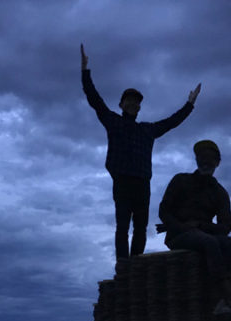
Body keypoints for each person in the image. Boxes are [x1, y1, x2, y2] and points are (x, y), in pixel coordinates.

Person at [81, 43, 201, 260]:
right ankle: (123, 267)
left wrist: (189, 104)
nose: (133, 104)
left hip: (142, 184)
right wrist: (85, 72)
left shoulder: (147, 130)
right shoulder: (113, 122)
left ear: (139, 107)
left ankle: (135, 266)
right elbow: (95, 100)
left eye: (136, 102)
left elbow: (172, 122)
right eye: (129, 100)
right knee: (122, 228)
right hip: (123, 181)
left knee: (140, 229)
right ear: (121, 104)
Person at [157, 140, 231, 316]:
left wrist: (201, 225)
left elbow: (225, 227)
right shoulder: (180, 180)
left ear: (217, 162)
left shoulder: (219, 192)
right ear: (196, 160)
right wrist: (182, 227)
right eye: (202, 157)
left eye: (210, 158)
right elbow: (164, 211)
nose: (206, 161)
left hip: (203, 234)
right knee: (208, 242)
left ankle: (223, 301)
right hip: (178, 236)